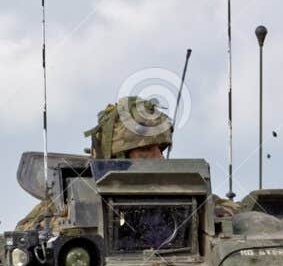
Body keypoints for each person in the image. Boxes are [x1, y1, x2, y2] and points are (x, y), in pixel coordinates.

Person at [15, 95, 176, 231]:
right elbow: (23, 232)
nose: (158, 158)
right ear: (117, 157)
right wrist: (67, 224)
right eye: (145, 150)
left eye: (160, 149)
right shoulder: (76, 195)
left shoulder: (178, 192)